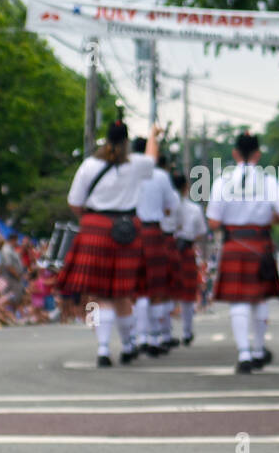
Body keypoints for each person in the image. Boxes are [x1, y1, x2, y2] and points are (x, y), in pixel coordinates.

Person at [58, 120, 161, 367]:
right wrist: (153, 135)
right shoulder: (137, 165)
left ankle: (103, 349)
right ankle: (128, 346)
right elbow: (152, 158)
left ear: (105, 139)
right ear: (126, 142)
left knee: (96, 295)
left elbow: (74, 202)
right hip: (126, 230)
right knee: (122, 294)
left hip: (95, 228)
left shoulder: (89, 165)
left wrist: (91, 220)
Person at [207, 131, 279, 374]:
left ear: (235, 153)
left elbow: (213, 222)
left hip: (235, 245)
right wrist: (270, 217)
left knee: (239, 301)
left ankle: (244, 353)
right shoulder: (268, 181)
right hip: (260, 245)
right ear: (257, 153)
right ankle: (258, 349)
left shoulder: (222, 182)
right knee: (259, 299)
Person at [132, 140, 179, 356]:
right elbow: (172, 207)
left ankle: (137, 338)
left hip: (129, 233)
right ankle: (155, 336)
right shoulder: (160, 176)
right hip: (153, 231)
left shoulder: (124, 170)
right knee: (156, 289)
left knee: (137, 289)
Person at [171, 171, 207, 347]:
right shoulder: (194, 208)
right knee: (187, 295)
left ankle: (163, 333)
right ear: (186, 188)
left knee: (164, 292)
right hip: (186, 250)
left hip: (167, 248)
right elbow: (201, 233)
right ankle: (186, 332)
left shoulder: (164, 207)